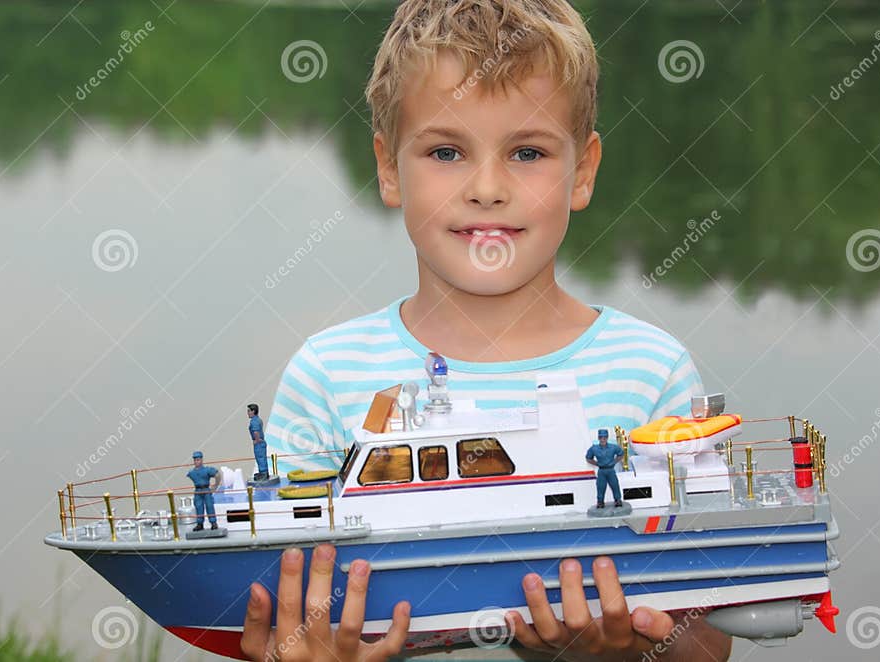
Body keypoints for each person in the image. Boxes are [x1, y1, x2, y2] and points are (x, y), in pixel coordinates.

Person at [242, 2, 732, 661]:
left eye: (527, 152)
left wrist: (623, 652)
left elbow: (708, 642)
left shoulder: (651, 373)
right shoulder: (328, 374)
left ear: (582, 171)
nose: (487, 187)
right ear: (389, 168)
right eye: (446, 151)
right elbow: (285, 600)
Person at [586, 428, 624, 508]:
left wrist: (614, 462)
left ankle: (617, 500)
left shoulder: (613, 447)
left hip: (610, 470)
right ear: (598, 438)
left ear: (607, 438)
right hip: (602, 471)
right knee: (600, 486)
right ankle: (600, 502)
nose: (603, 439)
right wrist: (597, 464)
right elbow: (588, 458)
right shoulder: (594, 448)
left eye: (604, 437)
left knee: (615, 485)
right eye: (601, 438)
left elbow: (621, 454)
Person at [186, 450, 219, 531]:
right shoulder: (192, 472)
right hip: (198, 491)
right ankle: (200, 524)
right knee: (198, 507)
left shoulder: (207, 470)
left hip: (206, 490)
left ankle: (213, 523)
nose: (196, 461)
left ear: (201, 460)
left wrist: (215, 485)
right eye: (195, 460)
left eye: (198, 459)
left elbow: (217, 474)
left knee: (209, 506)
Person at [248, 403, 268, 480]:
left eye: (249, 411)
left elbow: (256, 432)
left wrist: (257, 440)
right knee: (261, 457)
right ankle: (263, 472)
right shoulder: (258, 419)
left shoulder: (254, 421)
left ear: (253, 411)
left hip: (259, 443)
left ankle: (263, 473)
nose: (248, 413)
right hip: (261, 442)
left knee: (260, 457)